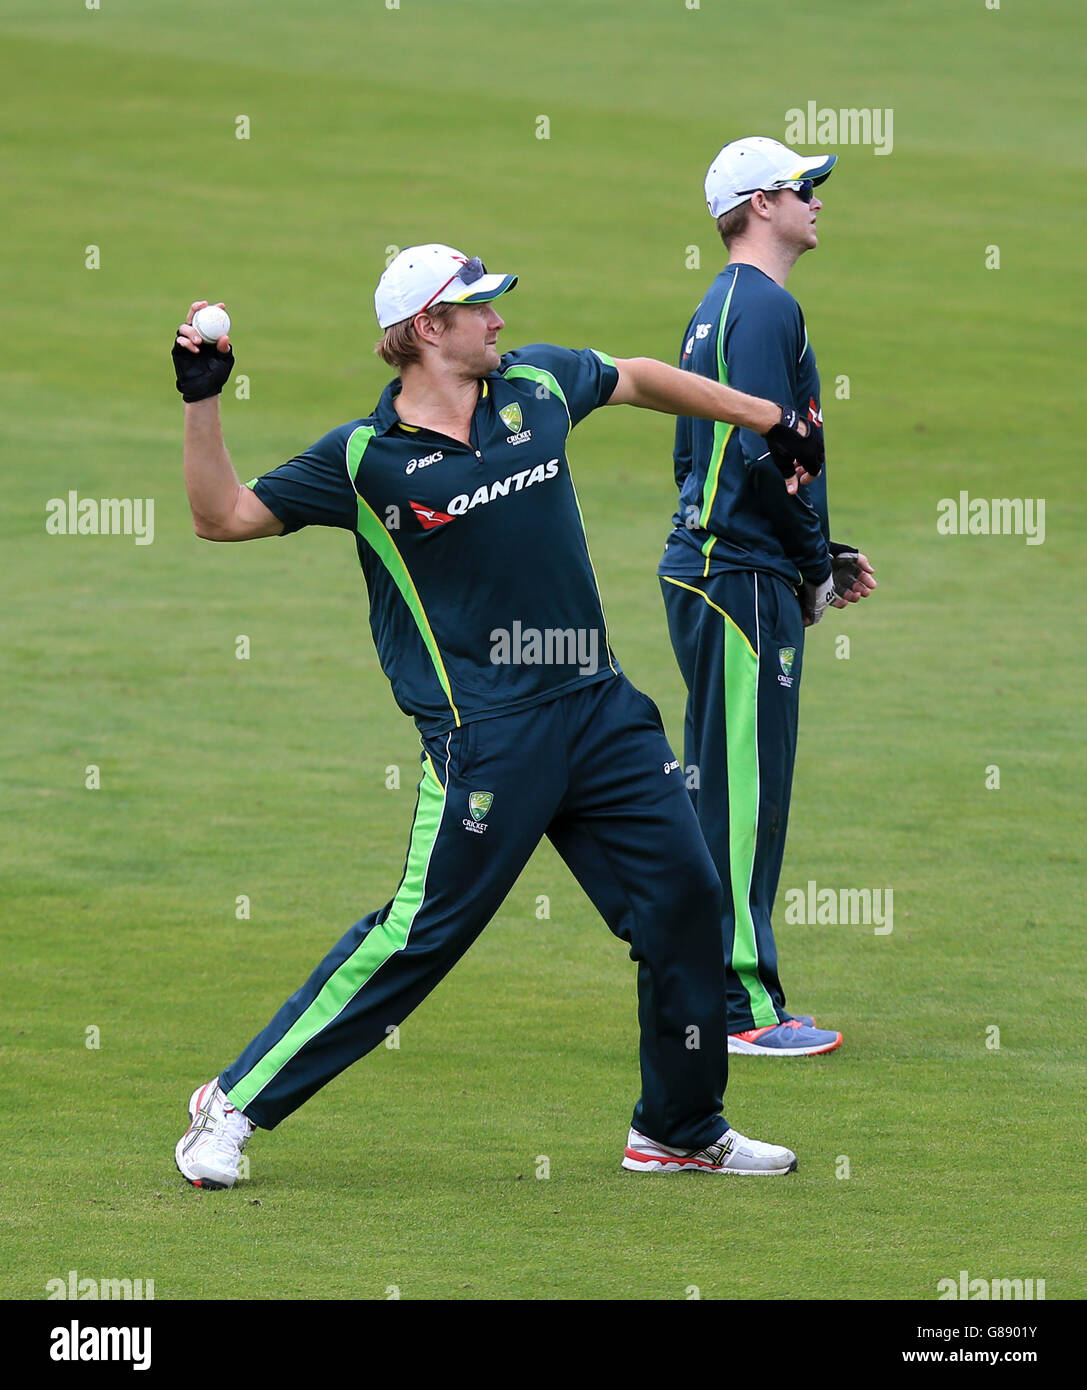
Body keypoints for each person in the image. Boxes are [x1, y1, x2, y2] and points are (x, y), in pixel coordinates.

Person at [171, 243, 824, 1187]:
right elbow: (222, 516)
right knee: (418, 938)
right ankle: (232, 1104)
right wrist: (202, 401)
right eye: (478, 308)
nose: (498, 320)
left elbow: (637, 376)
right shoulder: (363, 460)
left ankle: (678, 1128)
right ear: (425, 329)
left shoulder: (537, 388)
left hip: (599, 708)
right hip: (487, 738)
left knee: (686, 903)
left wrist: (767, 418)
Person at [658, 139, 877, 1058]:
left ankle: (701, 994)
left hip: (728, 570)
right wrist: (807, 562)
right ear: (758, 204)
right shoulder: (762, 306)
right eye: (802, 187)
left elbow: (715, 460)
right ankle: (739, 1008)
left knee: (726, 787)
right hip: (739, 576)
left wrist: (816, 552)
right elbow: (764, 454)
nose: (816, 200)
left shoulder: (722, 307)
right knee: (743, 796)